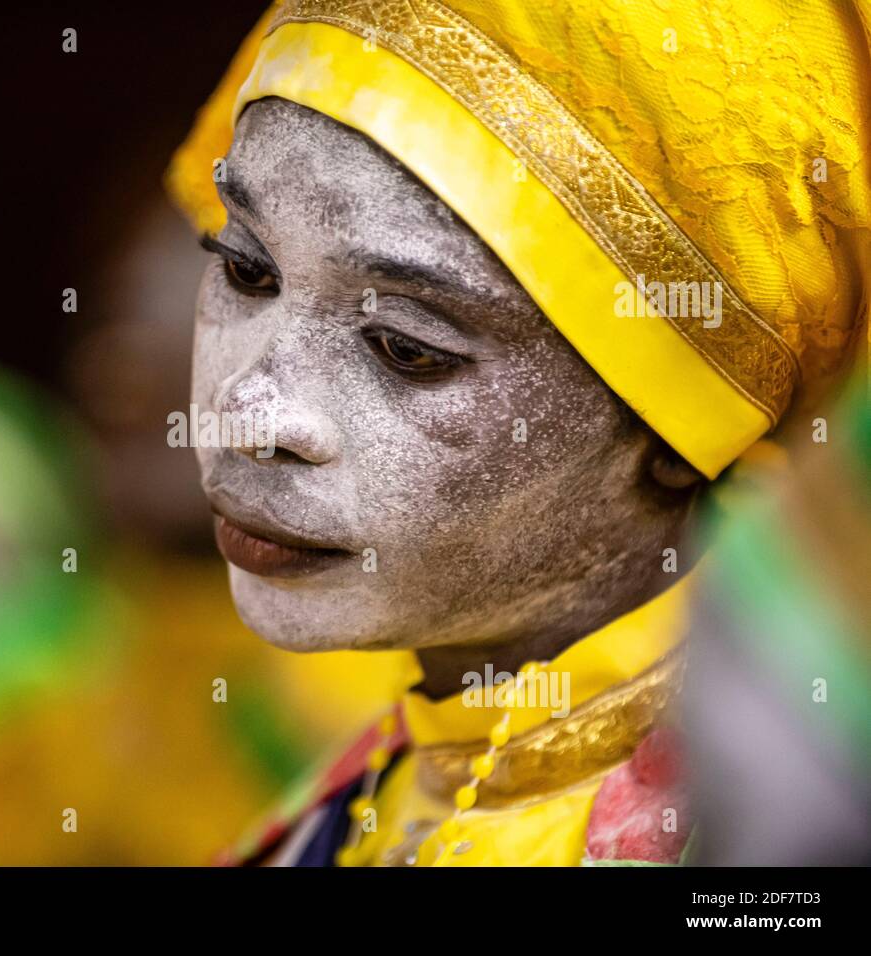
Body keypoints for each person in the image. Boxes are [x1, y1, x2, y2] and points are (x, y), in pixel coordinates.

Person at [165, 0, 871, 865]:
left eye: (404, 348)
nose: (248, 413)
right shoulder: (363, 792)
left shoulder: (757, 840)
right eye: (246, 268)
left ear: (682, 437)